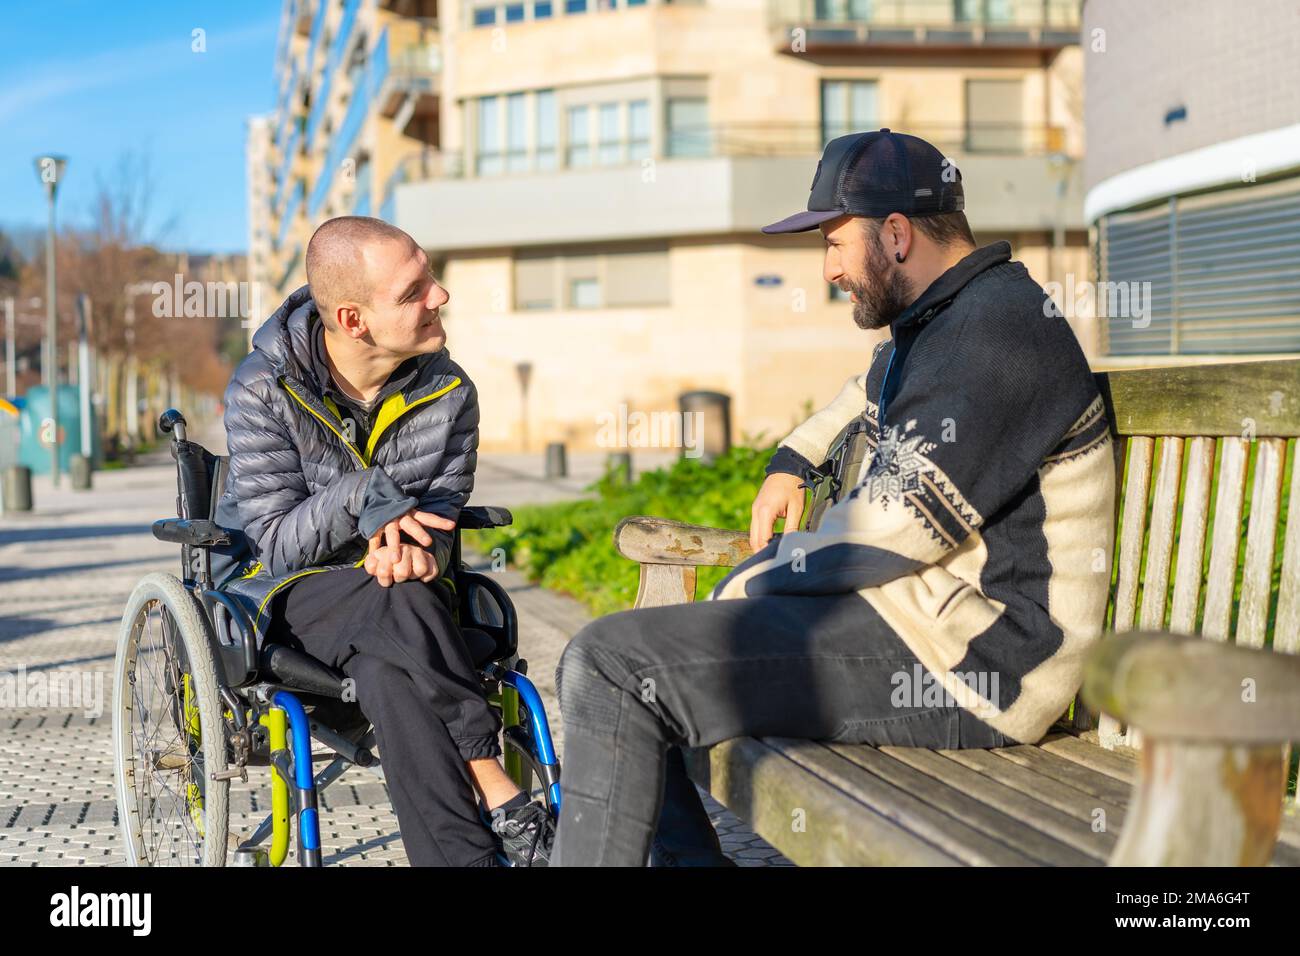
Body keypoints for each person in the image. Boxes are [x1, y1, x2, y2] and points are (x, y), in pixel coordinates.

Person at [553, 129, 1116, 866]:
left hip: (984, 665)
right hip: (923, 624)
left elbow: (888, 530)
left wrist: (748, 584)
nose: (828, 270)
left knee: (612, 666)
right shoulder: (943, 319)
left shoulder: (998, 335)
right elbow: (866, 394)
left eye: (834, 243)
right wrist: (795, 458)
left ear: (896, 233)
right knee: (615, 663)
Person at [212, 216, 553, 867]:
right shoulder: (262, 389)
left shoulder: (448, 392)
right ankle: (496, 785)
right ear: (353, 318)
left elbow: (437, 512)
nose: (440, 296)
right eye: (415, 289)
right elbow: (278, 544)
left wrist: (407, 544)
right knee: (396, 599)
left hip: (409, 596)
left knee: (388, 673)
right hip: (294, 597)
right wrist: (362, 498)